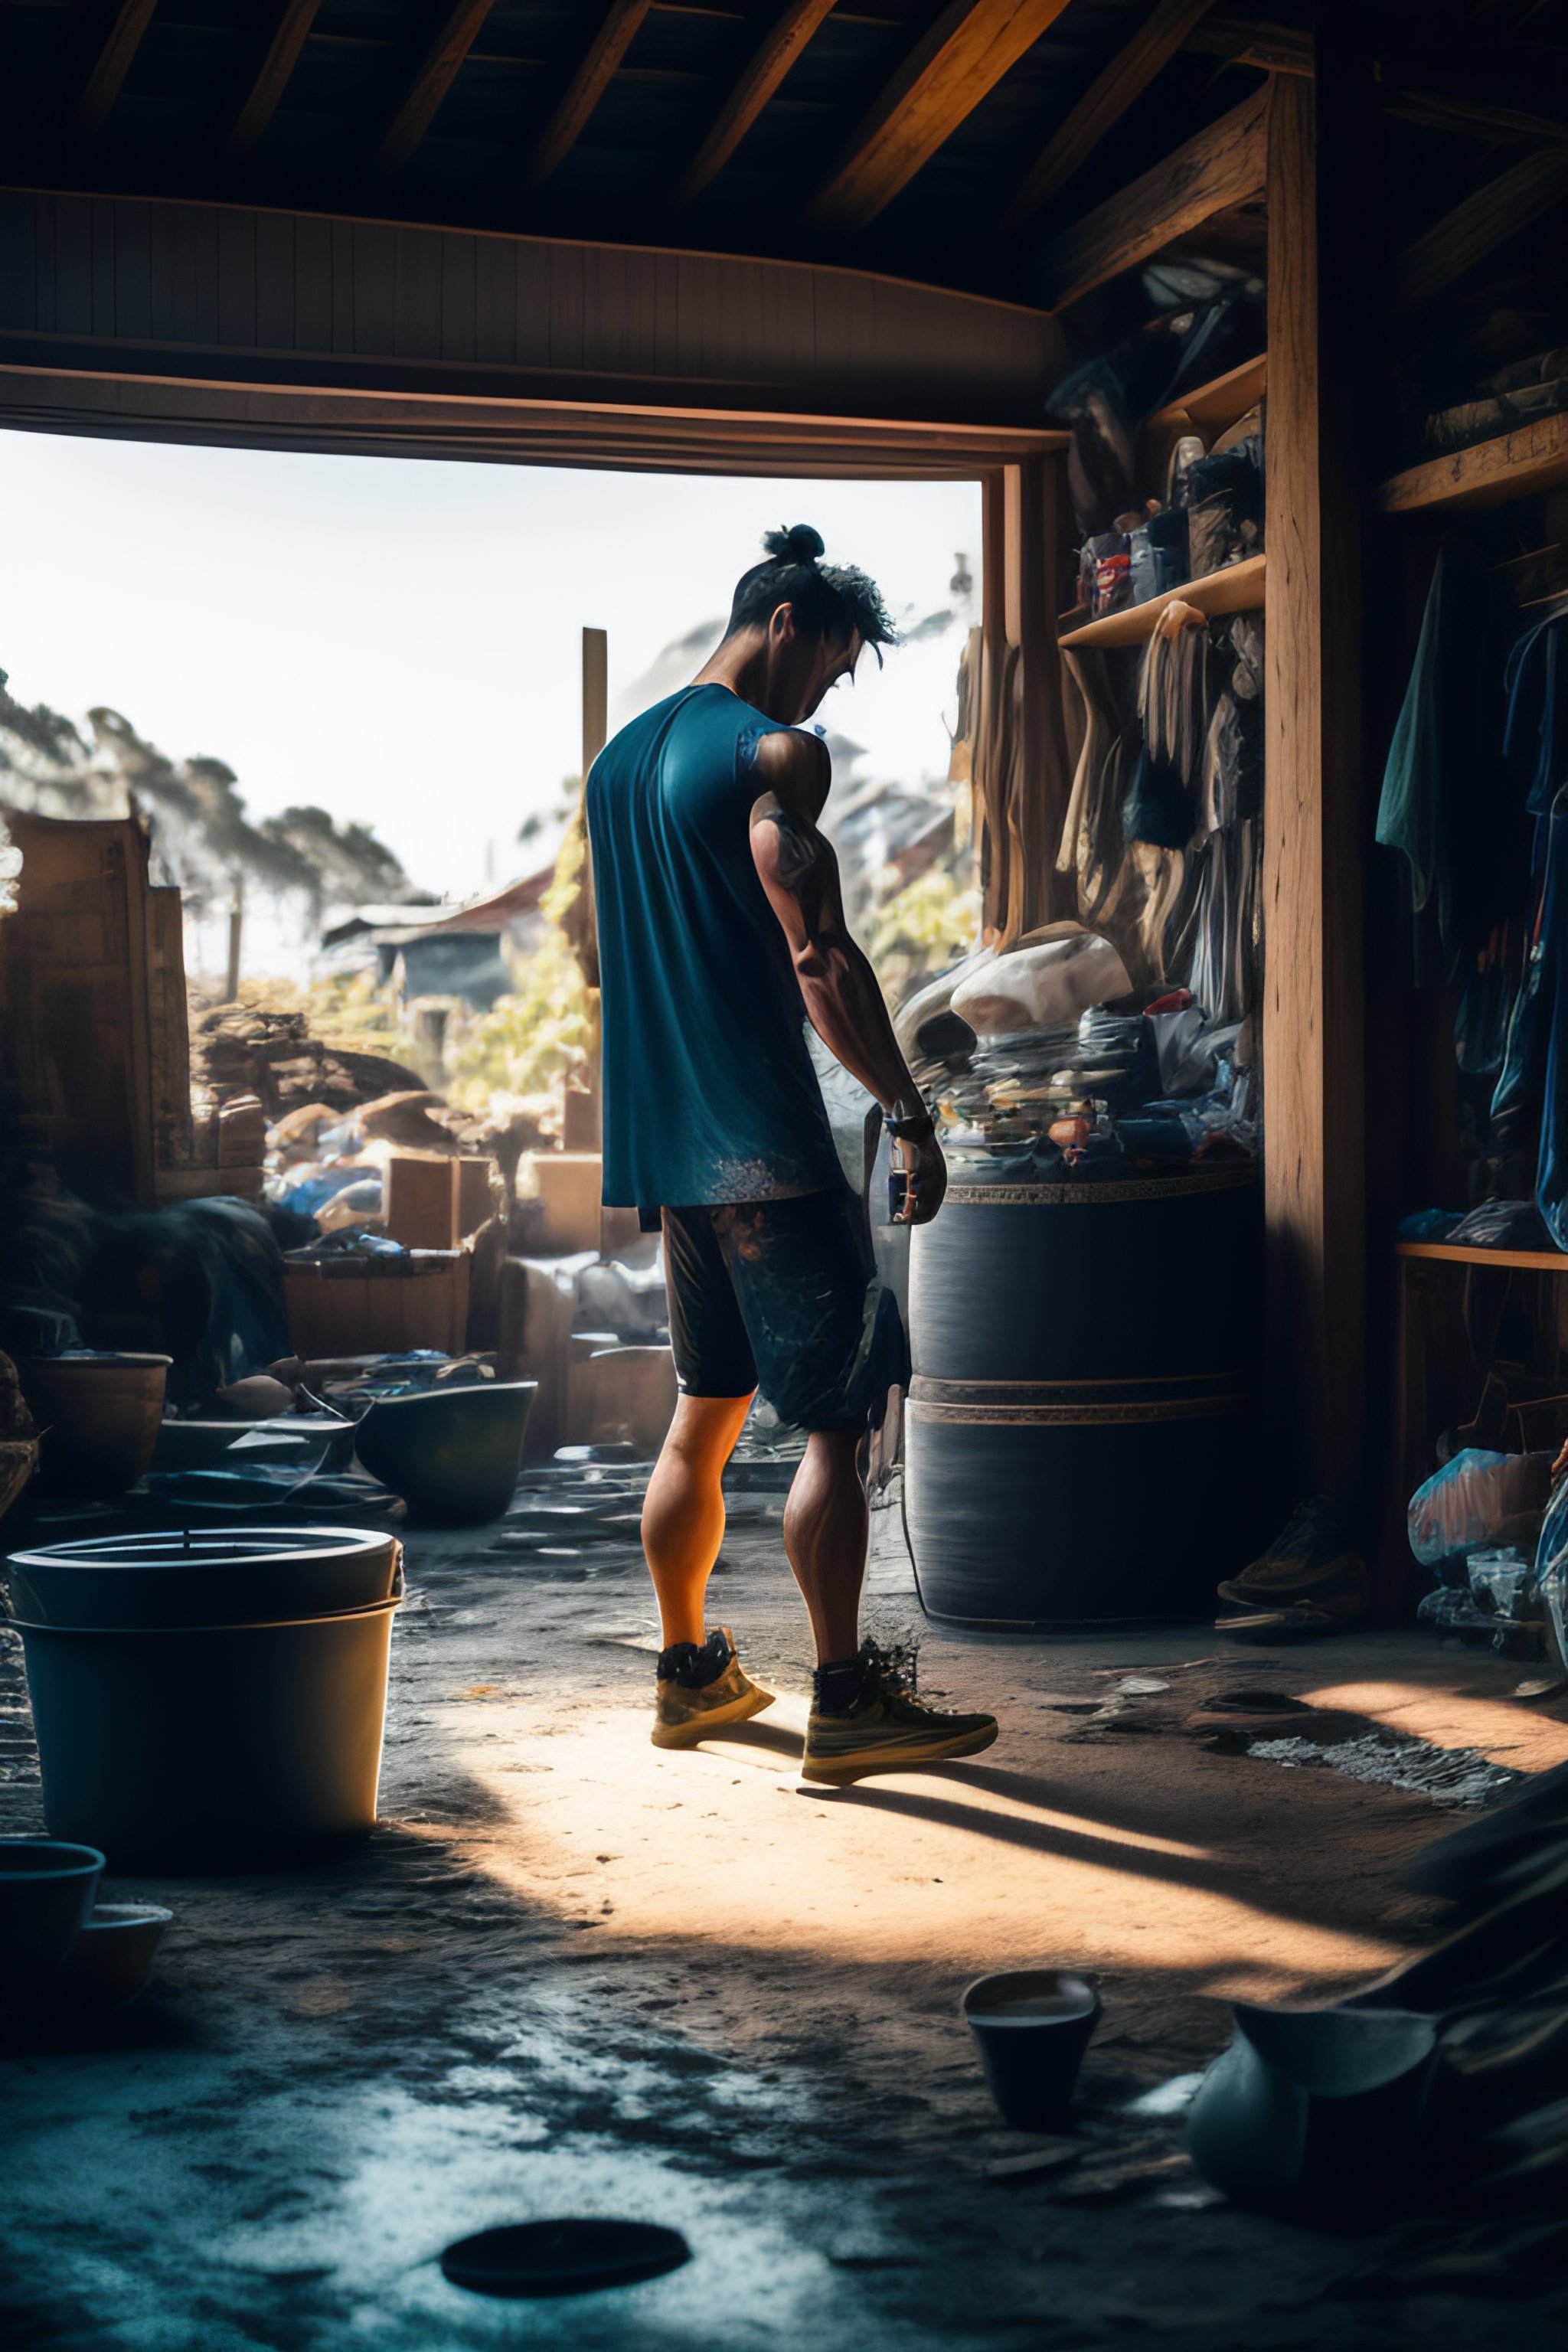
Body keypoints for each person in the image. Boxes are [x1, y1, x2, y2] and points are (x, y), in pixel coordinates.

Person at [586, 522, 998, 1785]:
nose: (826, 694)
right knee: (837, 1420)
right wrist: (910, 1112)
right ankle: (845, 1700)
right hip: (762, 1141)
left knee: (703, 1416)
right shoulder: (772, 754)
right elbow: (818, 954)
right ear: (788, 627)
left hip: (667, 1148)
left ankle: (688, 1674)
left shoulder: (616, 763)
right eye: (833, 663)